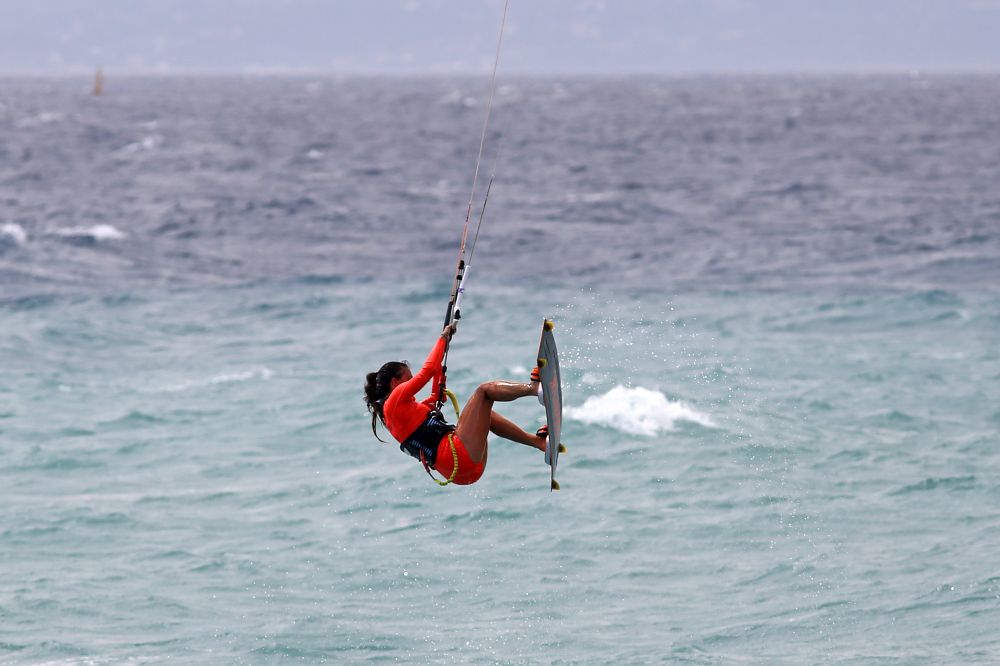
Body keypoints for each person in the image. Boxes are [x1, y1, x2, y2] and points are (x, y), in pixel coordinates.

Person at [364, 324, 548, 485]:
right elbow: (427, 371)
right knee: (484, 391)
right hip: (458, 457)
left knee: (485, 416)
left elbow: (435, 394)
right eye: (408, 379)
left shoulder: (399, 414)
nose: (412, 382)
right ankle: (533, 388)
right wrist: (442, 338)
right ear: (395, 383)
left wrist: (443, 355)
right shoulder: (394, 401)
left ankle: (539, 443)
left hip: (461, 473)